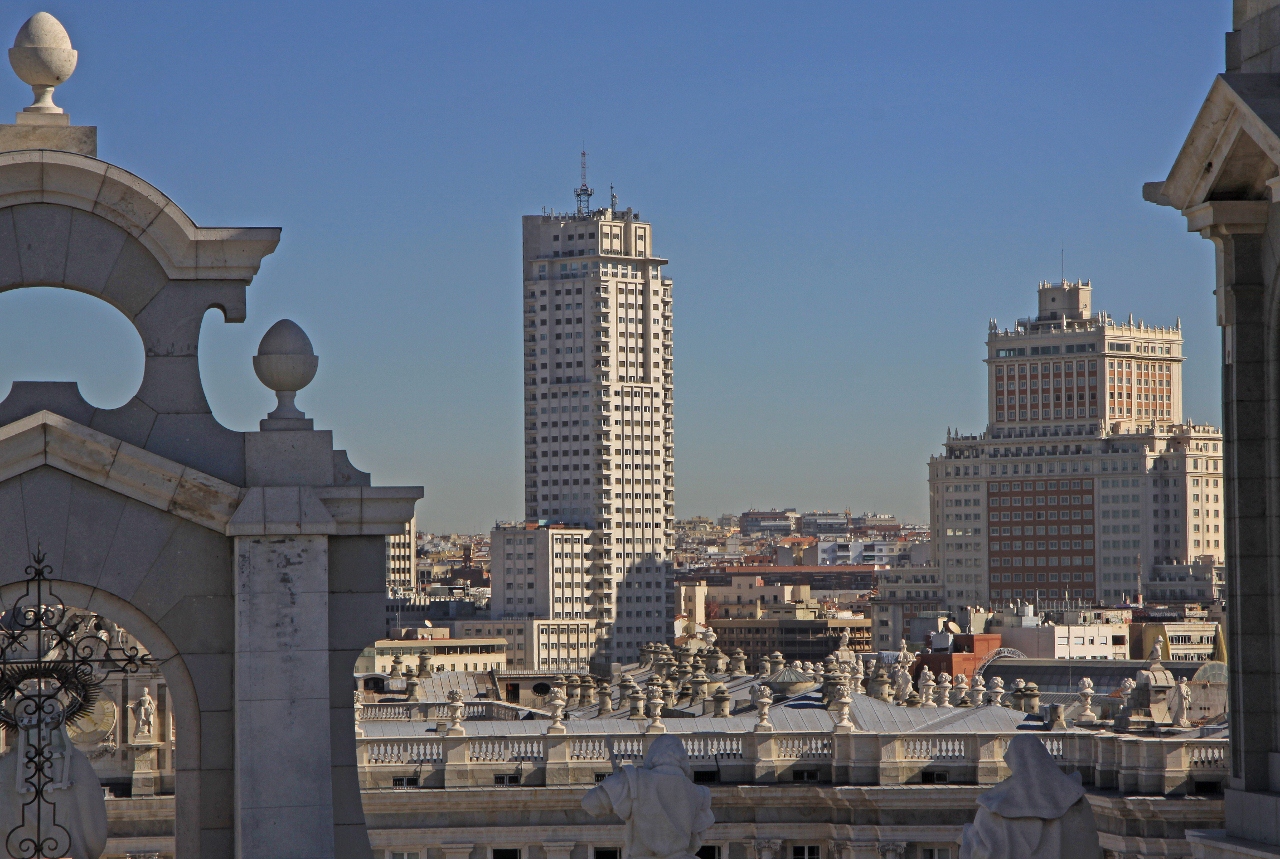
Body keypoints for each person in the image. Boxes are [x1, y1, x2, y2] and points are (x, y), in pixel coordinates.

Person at [960, 733, 1100, 859]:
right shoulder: (1075, 804)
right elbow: (1090, 847)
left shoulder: (992, 811)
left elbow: (979, 853)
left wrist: (968, 836)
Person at [582, 734, 714, 859]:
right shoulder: (699, 794)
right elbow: (696, 842)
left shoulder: (634, 780)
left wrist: (616, 785)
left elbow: (590, 803)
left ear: (652, 756)